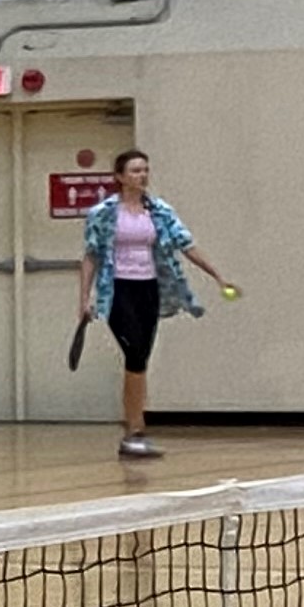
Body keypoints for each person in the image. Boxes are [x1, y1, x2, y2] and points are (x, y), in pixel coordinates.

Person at [73, 148, 236, 461]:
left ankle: (135, 432)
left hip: (149, 290)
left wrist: (218, 276)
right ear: (119, 177)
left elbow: (186, 245)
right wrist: (84, 299)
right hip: (117, 291)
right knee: (134, 354)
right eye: (135, 171)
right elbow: (91, 256)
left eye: (145, 170)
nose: (142, 175)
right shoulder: (103, 213)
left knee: (140, 360)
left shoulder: (159, 211)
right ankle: (135, 431)